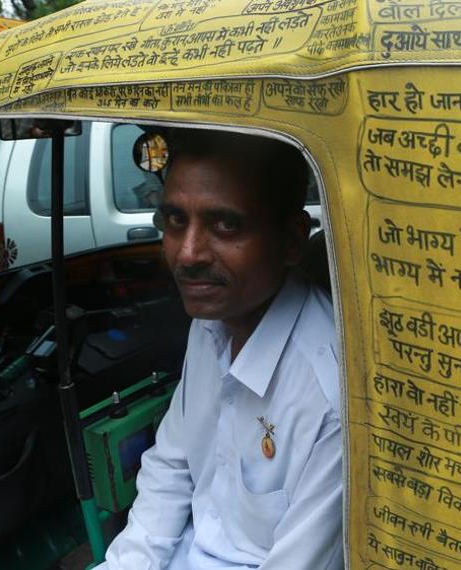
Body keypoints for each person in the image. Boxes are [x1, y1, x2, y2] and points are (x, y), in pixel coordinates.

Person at [98, 129, 344, 569]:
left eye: (226, 224)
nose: (188, 253)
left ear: (291, 240)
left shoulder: (328, 400)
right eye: (175, 221)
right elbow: (171, 467)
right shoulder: (211, 324)